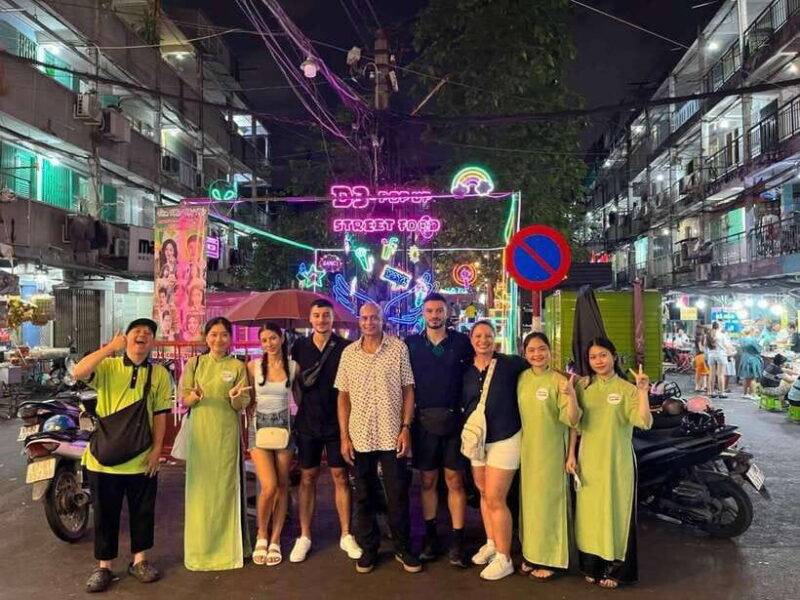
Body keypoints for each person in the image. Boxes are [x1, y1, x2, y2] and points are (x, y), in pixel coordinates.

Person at [72, 319, 172, 593]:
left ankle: (140, 561)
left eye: (148, 333)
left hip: (141, 460)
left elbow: (161, 415)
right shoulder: (109, 366)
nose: (142, 335)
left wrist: (157, 451)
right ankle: (104, 566)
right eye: (136, 331)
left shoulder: (159, 374)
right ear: (126, 338)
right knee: (105, 515)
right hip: (103, 459)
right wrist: (109, 348)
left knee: (143, 512)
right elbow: (78, 372)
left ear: (152, 342)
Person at [335, 302, 419, 574]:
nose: (369, 322)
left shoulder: (398, 349)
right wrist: (344, 436)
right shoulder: (349, 354)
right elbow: (343, 396)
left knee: (397, 494)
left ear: (383, 320)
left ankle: (403, 548)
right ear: (359, 321)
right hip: (360, 434)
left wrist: (406, 427)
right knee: (364, 495)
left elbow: (408, 390)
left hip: (392, 433)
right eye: (364, 318)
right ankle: (369, 548)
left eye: (374, 318)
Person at [568, 337, 652, 589]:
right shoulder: (583, 387)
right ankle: (591, 566)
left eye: (603, 355)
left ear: (613, 356)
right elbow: (574, 424)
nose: (599, 361)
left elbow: (644, 422)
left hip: (618, 463)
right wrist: (571, 455)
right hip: (588, 461)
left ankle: (617, 569)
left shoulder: (627, 389)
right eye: (593, 357)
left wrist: (642, 391)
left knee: (616, 513)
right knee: (589, 515)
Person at [289, 299, 360, 563]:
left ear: (333, 318)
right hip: (308, 422)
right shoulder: (299, 347)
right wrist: (303, 407)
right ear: (310, 319)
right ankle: (304, 535)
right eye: (317, 315)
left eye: (326, 315)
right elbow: (295, 383)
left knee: (340, 475)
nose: (321, 320)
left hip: (338, 422)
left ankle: (346, 534)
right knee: (308, 476)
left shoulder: (346, 347)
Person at [404, 293, 474, 567]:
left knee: (455, 481)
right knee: (427, 481)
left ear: (447, 313)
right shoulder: (410, 344)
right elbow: (404, 386)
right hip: (423, 422)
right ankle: (431, 537)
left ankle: (457, 541)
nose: (434, 315)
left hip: (454, 420)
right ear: (423, 314)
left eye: (439, 311)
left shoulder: (461, 343)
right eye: (430, 311)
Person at [180, 317, 252, 571]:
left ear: (230, 338)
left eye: (224, 334)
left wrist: (234, 397)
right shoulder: (195, 364)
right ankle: (200, 550)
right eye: (213, 334)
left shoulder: (238, 366)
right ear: (206, 337)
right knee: (199, 493)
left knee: (225, 490)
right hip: (200, 436)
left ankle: (228, 551)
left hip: (226, 436)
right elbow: (184, 399)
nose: (218, 339)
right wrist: (195, 396)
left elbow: (242, 404)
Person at [462, 320, 528, 580]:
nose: (483, 340)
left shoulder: (510, 364)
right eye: (478, 336)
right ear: (471, 339)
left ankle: (504, 557)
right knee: (483, 492)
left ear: (495, 338)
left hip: (505, 436)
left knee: (496, 497)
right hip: (477, 439)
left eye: (488, 336)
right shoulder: (465, 368)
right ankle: (492, 542)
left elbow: (540, 370)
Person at [517, 332, 581, 581]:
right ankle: (532, 554)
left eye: (542, 349)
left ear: (549, 351)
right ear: (525, 354)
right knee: (531, 506)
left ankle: (553, 559)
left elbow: (572, 421)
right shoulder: (522, 378)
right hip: (528, 453)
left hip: (553, 453)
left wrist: (571, 454)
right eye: (531, 350)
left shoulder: (559, 381)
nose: (537, 354)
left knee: (550, 505)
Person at [246, 324, 299, 567]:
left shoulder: (293, 367)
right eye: (265, 340)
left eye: (273, 338)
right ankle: (262, 533)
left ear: (282, 338)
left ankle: (276, 538)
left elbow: (300, 398)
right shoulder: (252, 366)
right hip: (259, 427)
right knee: (268, 486)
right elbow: (247, 399)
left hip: (284, 426)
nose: (269, 343)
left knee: (283, 485)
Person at [738, 327, 763, 400]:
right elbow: (759, 349)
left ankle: (745, 393)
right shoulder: (753, 340)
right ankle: (754, 394)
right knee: (753, 377)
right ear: (751, 331)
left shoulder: (741, 340)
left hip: (744, 358)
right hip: (752, 359)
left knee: (746, 377)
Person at [705, 322, 728, 398]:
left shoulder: (708, 335)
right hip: (721, 355)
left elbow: (705, 345)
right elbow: (726, 345)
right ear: (719, 327)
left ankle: (711, 392)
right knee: (720, 374)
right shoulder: (722, 335)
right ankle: (722, 392)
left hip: (711, 355)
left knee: (711, 374)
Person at [693, 325, 709, 392]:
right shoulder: (700, 338)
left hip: (697, 356)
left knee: (699, 372)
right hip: (701, 355)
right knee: (703, 372)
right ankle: (701, 386)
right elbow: (701, 349)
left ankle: (699, 386)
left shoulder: (697, 337)